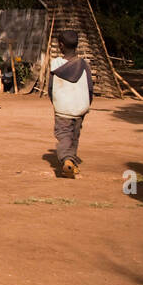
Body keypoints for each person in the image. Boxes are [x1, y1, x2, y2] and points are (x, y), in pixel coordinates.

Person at [49, 29, 94, 178]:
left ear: (61, 45)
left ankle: (67, 160)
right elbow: (89, 87)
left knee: (64, 134)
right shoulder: (84, 65)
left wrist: (55, 102)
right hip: (80, 106)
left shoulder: (55, 64)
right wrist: (87, 103)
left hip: (62, 107)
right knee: (74, 135)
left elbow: (50, 88)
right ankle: (72, 162)